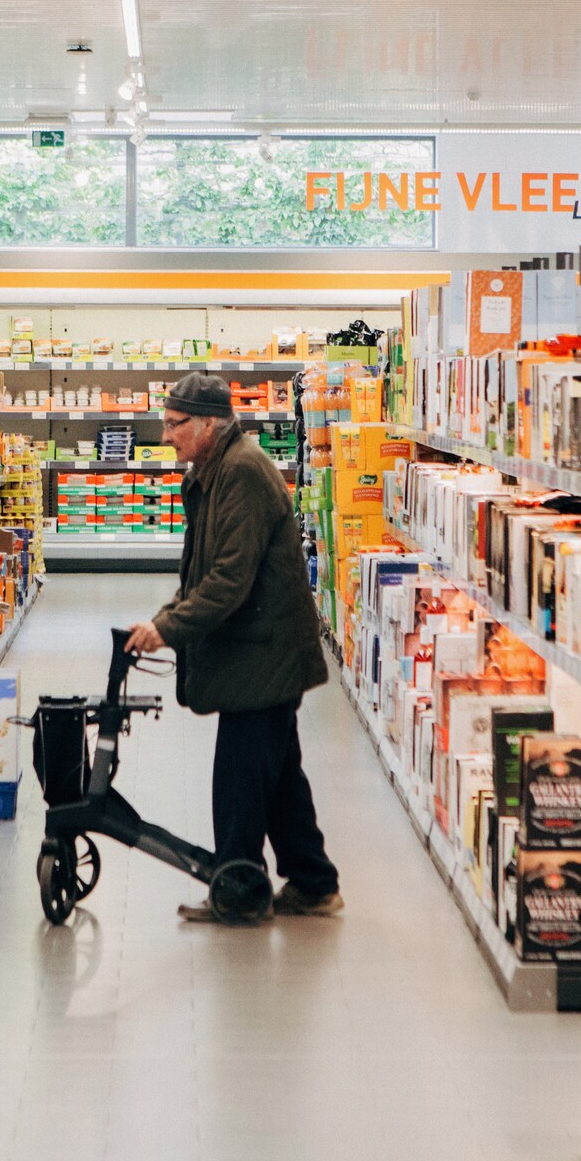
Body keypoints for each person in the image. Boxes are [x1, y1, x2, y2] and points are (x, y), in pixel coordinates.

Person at [125, 370, 342, 922]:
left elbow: (228, 580)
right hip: (263, 648)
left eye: (175, 425)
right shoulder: (214, 469)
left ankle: (240, 891)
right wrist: (167, 615)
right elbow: (202, 570)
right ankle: (314, 884)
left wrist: (167, 629)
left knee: (242, 776)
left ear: (209, 423)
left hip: (263, 652)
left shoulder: (241, 472)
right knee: (279, 774)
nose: (166, 435)